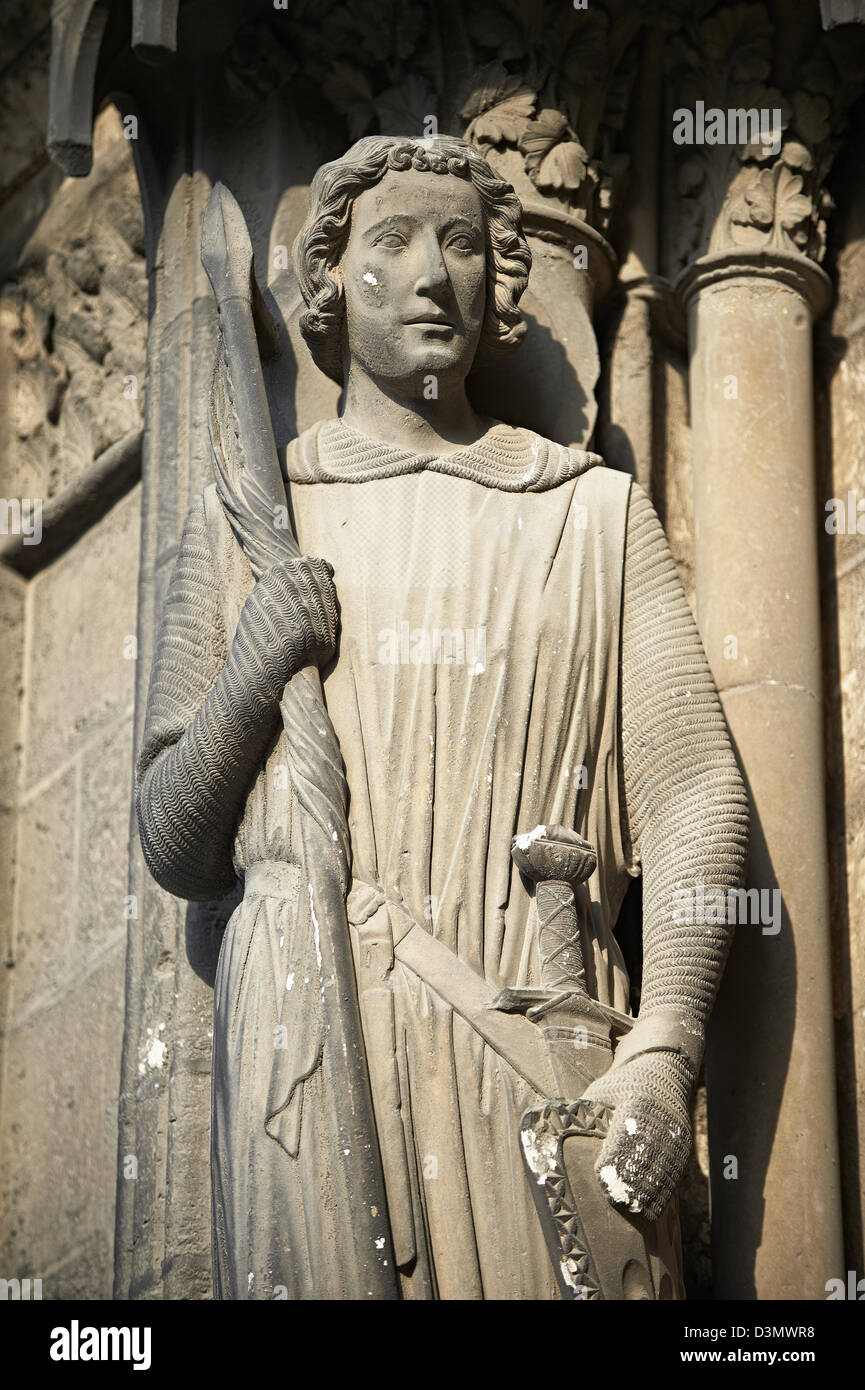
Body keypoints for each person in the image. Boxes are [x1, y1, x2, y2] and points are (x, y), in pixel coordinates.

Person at [136, 135, 749, 1299]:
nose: (433, 274)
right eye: (394, 241)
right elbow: (173, 840)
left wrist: (666, 1046)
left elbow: (691, 793)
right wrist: (252, 668)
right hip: (316, 1046)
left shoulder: (591, 514)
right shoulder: (252, 522)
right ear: (327, 280)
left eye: (463, 243)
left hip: (536, 1048)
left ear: (500, 283)